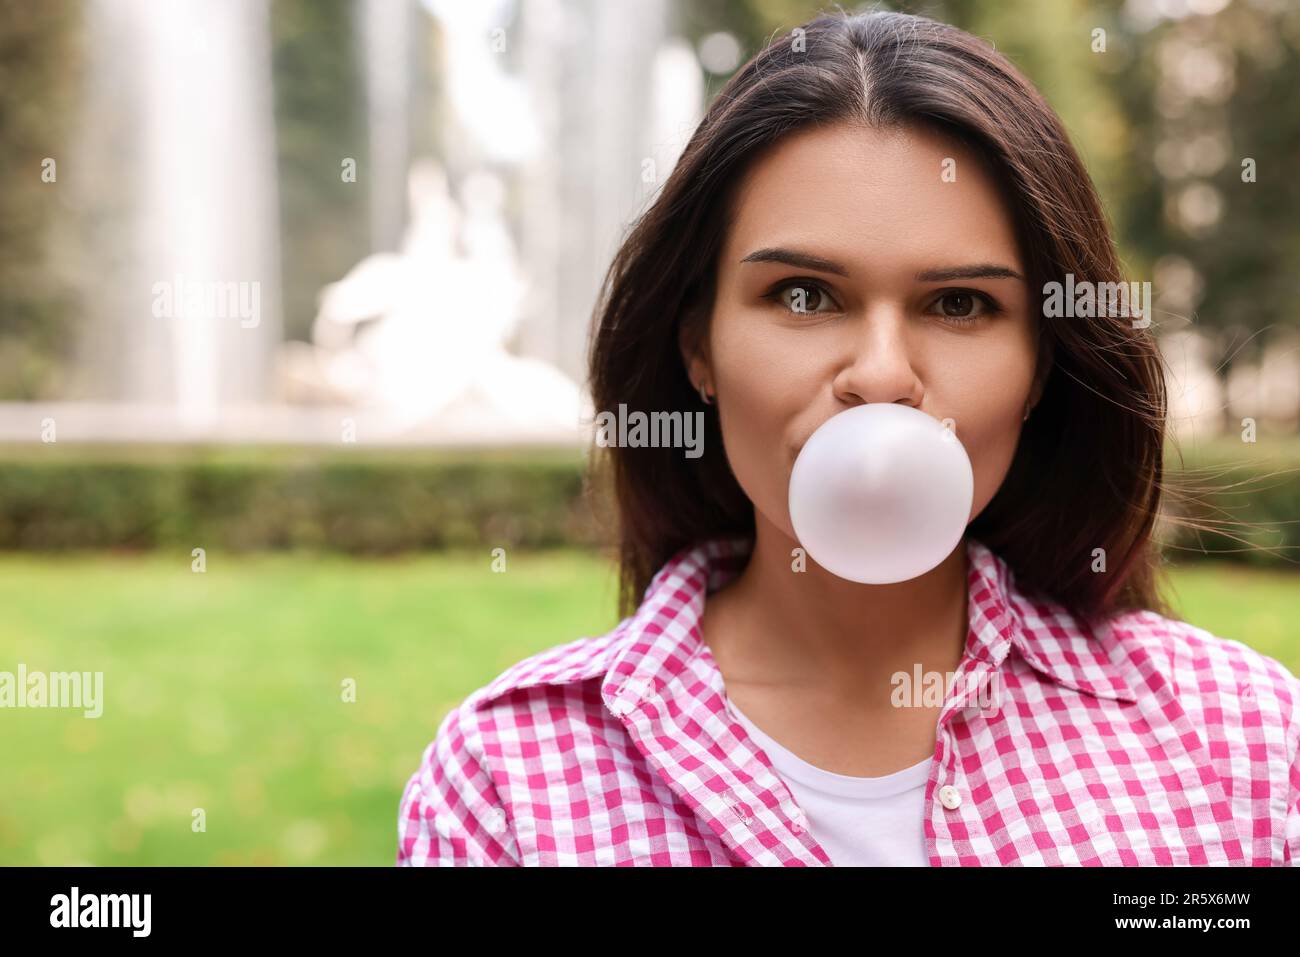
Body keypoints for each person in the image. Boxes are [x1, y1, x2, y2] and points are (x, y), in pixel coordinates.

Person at [397, 9, 1300, 866]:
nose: (879, 374)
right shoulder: (509, 782)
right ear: (696, 345)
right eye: (803, 295)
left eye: (959, 304)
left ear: (1040, 372)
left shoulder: (1242, 740)